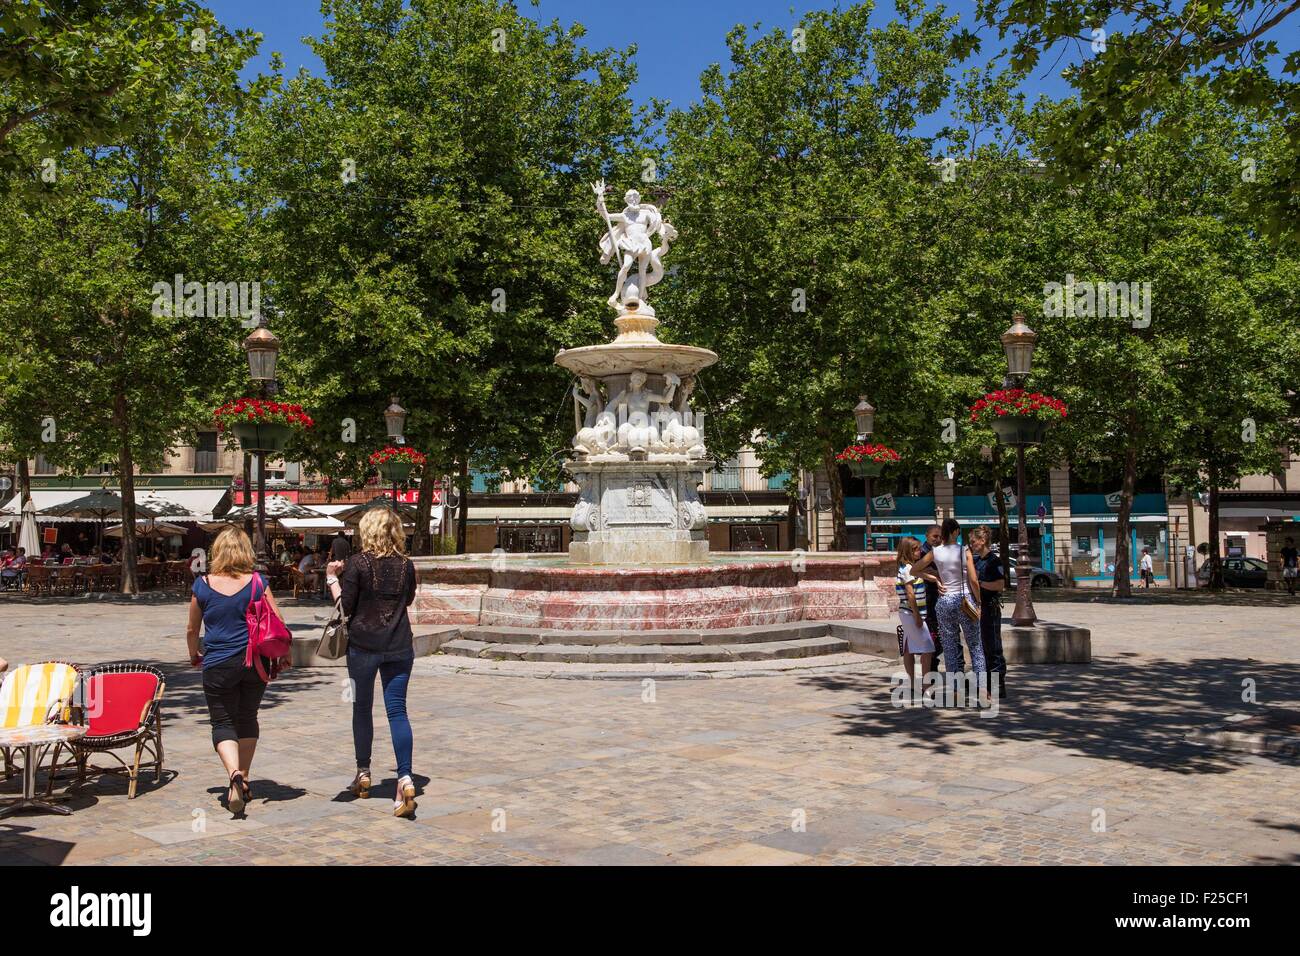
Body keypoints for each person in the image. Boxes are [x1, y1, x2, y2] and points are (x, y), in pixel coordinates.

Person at [186, 526, 290, 816]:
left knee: (222, 722)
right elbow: (278, 621)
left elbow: (193, 628)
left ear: (216, 552)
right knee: (247, 717)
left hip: (218, 663)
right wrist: (285, 654)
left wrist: (193, 654)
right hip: (254, 663)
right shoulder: (258, 582)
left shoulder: (202, 584)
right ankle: (243, 776)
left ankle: (233, 774)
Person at [327, 508, 419, 818]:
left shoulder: (358, 563)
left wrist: (331, 579)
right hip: (399, 645)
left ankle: (363, 773)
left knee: (361, 708)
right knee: (397, 711)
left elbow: (345, 606)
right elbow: (406, 601)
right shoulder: (407, 566)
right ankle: (405, 778)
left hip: (363, 646)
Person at [909, 518, 987, 692]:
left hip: (944, 602)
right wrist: (979, 601)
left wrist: (935, 579)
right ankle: (983, 690)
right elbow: (973, 580)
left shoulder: (935, 552)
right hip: (964, 599)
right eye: (958, 531)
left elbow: (914, 570)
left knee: (949, 647)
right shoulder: (964, 551)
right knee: (975, 646)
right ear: (954, 532)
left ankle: (956, 691)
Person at [968, 526, 1008, 699]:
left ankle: (998, 685)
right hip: (977, 607)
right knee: (981, 647)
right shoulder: (976, 561)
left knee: (993, 647)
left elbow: (1000, 585)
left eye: (973, 541)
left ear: (983, 541)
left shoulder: (993, 561)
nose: (971, 545)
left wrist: (979, 583)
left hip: (990, 607)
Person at [894, 537, 936, 694]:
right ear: (909, 552)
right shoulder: (907, 570)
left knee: (908, 648)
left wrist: (936, 578)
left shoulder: (910, 568)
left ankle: (912, 684)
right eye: (917, 549)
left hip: (907, 613)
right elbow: (910, 594)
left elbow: (927, 574)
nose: (920, 551)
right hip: (911, 613)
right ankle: (925, 686)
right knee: (928, 648)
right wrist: (917, 616)